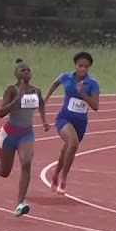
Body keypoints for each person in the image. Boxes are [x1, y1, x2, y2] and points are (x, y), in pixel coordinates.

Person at [0, 58, 50, 216]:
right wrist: (18, 99)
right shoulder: (11, 90)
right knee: (5, 171)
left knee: (26, 163)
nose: (26, 72)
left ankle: (20, 203)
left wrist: (44, 121)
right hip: (9, 134)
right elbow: (1, 113)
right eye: (22, 70)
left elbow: (41, 103)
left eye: (28, 70)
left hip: (26, 134)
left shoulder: (36, 91)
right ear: (16, 74)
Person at [44, 51, 100, 195]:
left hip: (80, 123)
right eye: (80, 65)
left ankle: (55, 172)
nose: (82, 69)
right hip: (64, 118)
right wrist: (45, 99)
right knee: (73, 143)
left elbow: (95, 106)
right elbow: (55, 83)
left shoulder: (92, 84)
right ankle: (64, 179)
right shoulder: (66, 77)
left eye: (86, 67)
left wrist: (83, 94)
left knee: (67, 149)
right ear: (75, 65)